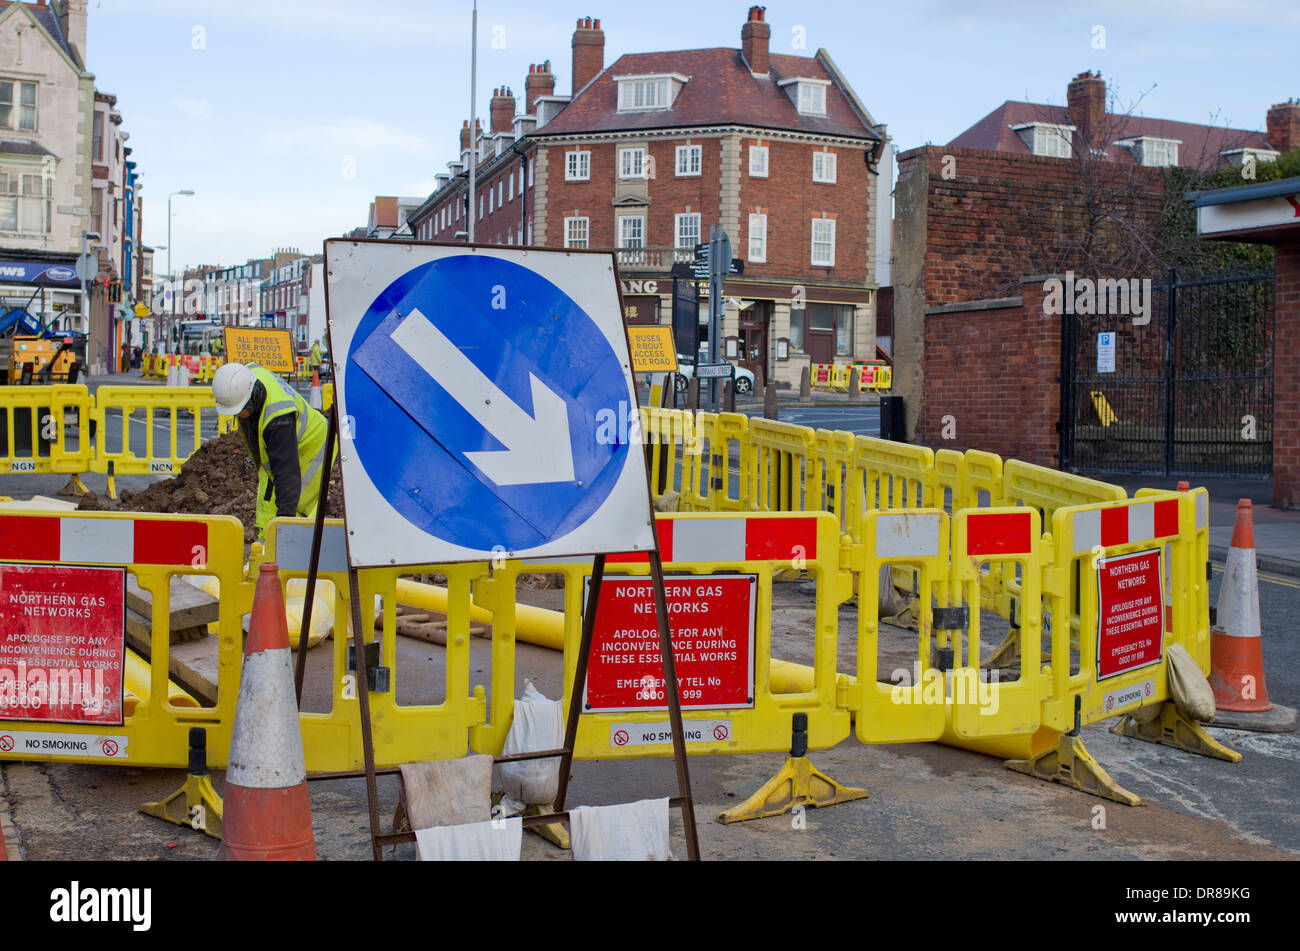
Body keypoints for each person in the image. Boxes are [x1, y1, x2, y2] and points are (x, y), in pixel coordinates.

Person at [211, 362, 334, 538]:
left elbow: (287, 476)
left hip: (314, 454)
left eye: (239, 410)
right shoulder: (248, 377)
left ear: (251, 399)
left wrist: (284, 529)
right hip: (297, 444)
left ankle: (291, 547)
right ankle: (266, 543)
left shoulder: (278, 420)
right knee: (270, 501)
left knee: (301, 509)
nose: (236, 415)